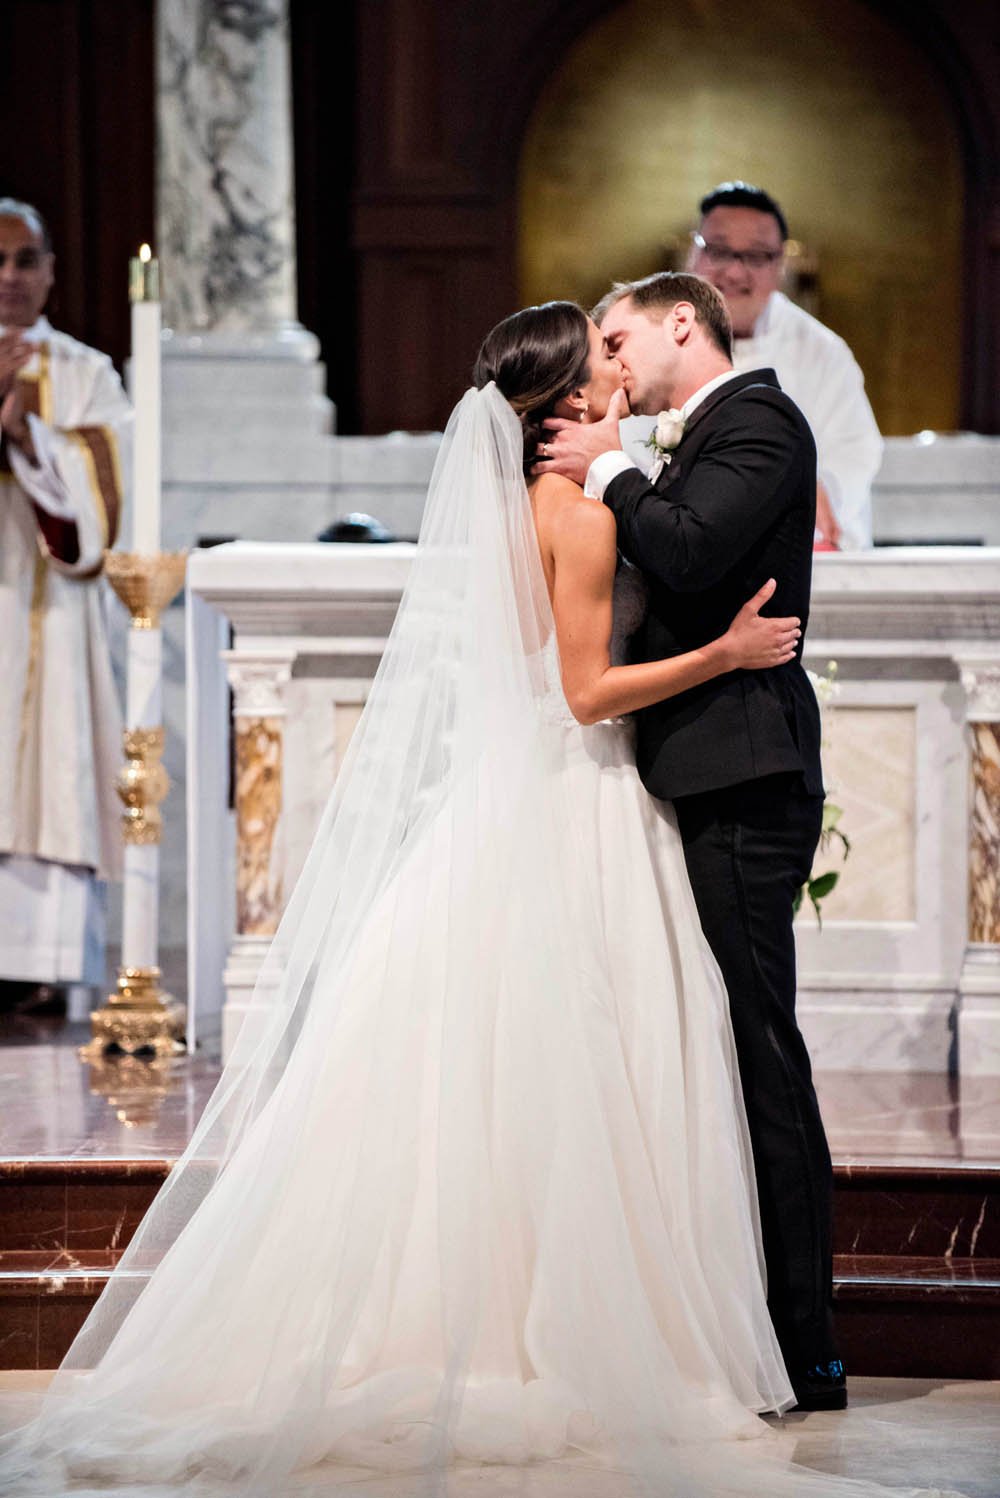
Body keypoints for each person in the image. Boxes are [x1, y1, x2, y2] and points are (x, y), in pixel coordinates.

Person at [0, 304, 946, 1498]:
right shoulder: (586, 513)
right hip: (585, 800)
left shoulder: (526, 505)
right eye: (602, 354)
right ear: (563, 403)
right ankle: (581, 1327)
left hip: (527, 802)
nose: (620, 362)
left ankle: (477, 1306)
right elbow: (590, 691)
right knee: (602, 1072)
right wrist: (719, 657)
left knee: (494, 1074)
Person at [538, 268, 842, 1417]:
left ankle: (805, 1339)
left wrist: (611, 469)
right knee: (723, 1044)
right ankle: (739, 1310)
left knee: (760, 1047)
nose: (610, 364)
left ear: (683, 321)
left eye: (618, 338)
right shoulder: (700, 429)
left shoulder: (759, 419)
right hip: (699, 766)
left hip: (743, 770)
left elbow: (695, 552)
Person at [0, 198, 128, 1013]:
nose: (9, 278)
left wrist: (24, 434)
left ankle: (38, 966)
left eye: (24, 260)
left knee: (49, 765)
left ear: (50, 270)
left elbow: (103, 501)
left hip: (47, 608)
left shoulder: (85, 372)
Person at [688, 182, 882, 550]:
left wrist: (817, 489)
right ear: (693, 254)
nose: (733, 271)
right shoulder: (657, 336)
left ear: (780, 265)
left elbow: (854, 449)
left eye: (756, 256)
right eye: (718, 250)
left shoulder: (823, 353)